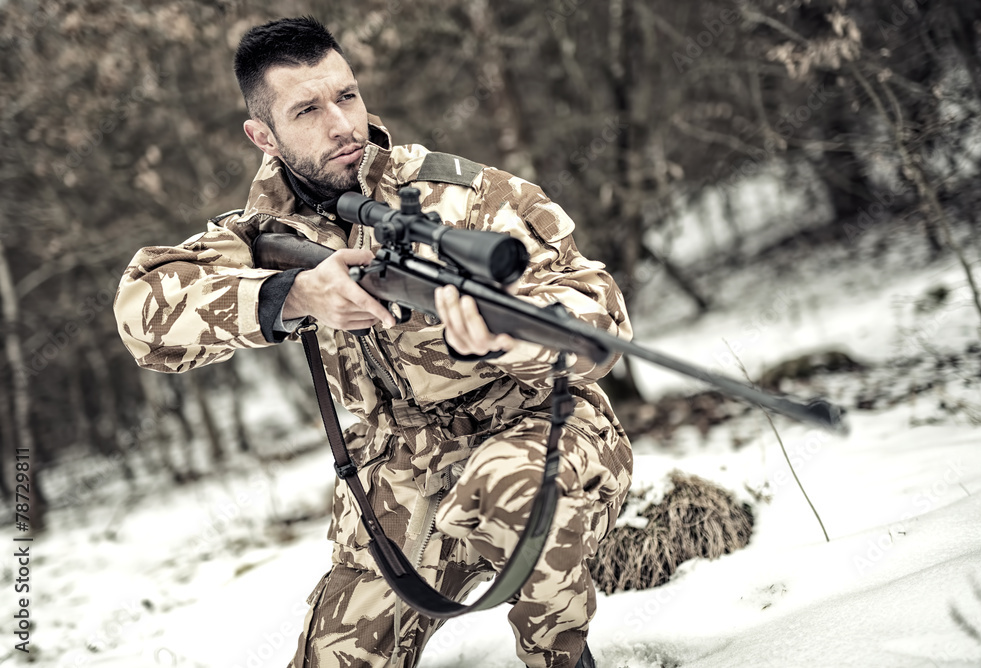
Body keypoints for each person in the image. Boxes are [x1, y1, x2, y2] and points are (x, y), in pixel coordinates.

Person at [114, 16, 632, 668]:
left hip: (537, 434)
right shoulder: (261, 236)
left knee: (512, 485)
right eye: (307, 109)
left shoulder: (469, 200)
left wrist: (505, 341)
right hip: (397, 477)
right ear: (263, 137)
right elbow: (142, 317)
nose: (341, 124)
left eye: (347, 96)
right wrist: (295, 296)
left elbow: (604, 323)